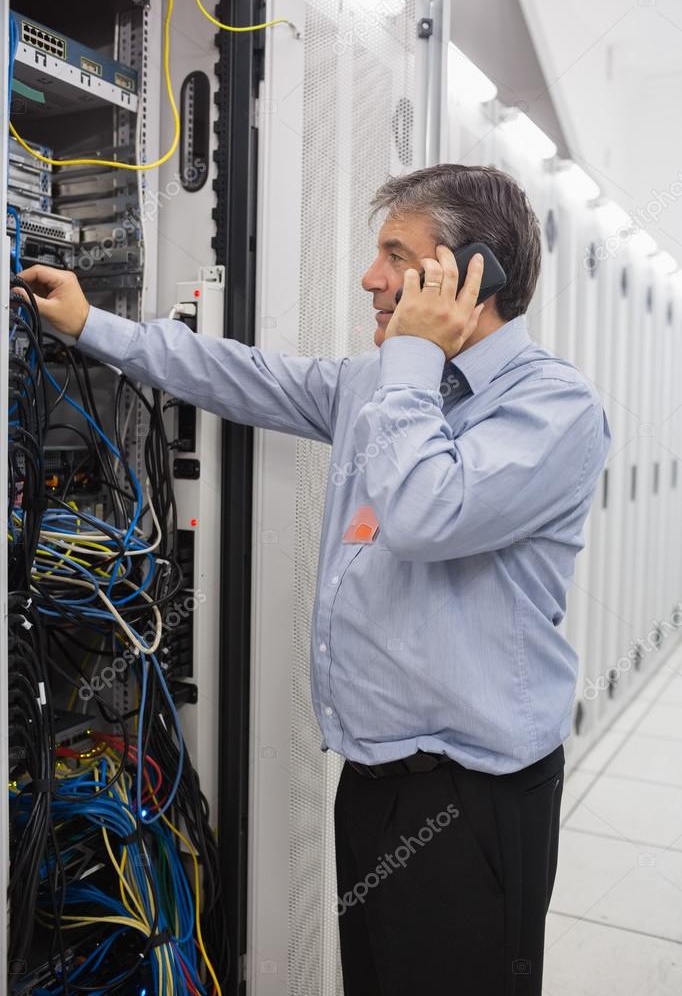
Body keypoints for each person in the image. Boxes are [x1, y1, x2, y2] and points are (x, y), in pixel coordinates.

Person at [17, 163, 611, 995]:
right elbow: (247, 377)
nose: (370, 277)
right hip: (371, 788)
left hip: (470, 804)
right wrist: (92, 326)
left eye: (393, 255)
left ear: (471, 274)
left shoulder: (554, 409)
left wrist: (408, 357)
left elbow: (425, 511)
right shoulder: (382, 385)